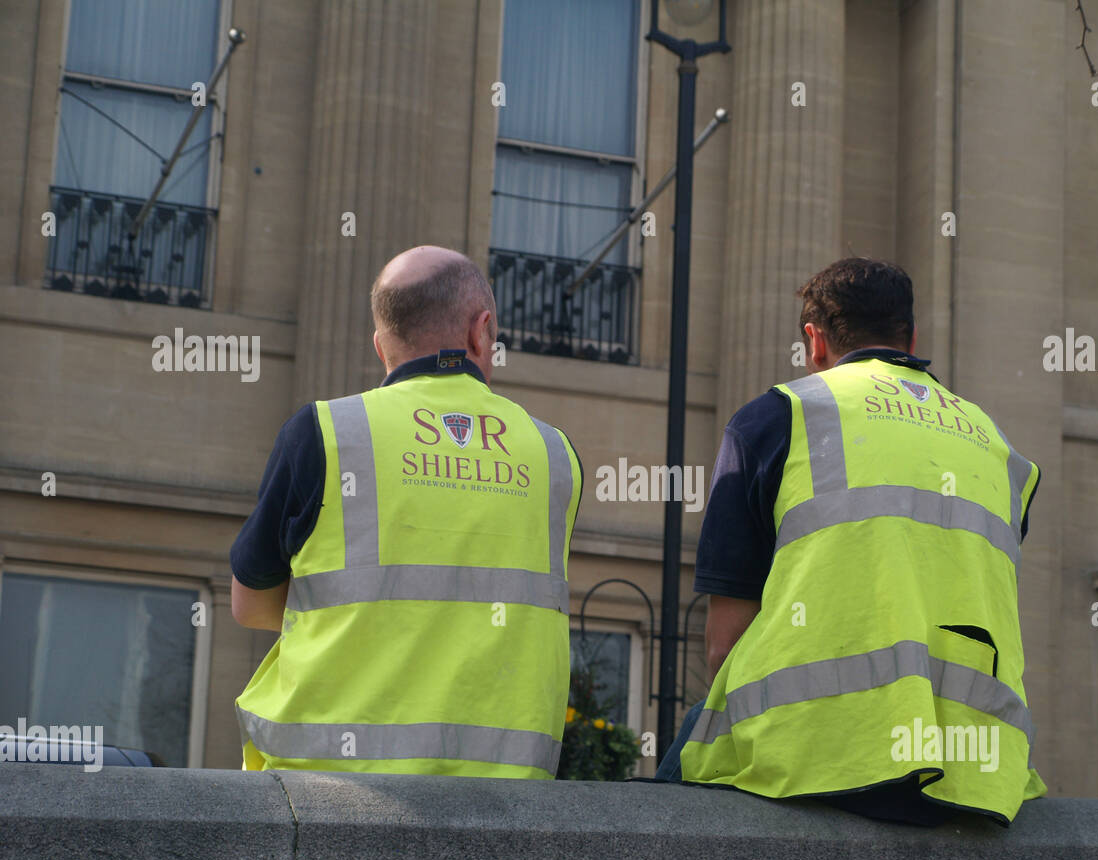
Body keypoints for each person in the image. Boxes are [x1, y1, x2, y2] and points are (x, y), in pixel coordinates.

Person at [659, 257, 1044, 826]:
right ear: (911, 337)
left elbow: (723, 645)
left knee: (658, 805)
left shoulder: (776, 418)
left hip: (819, 751)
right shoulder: (999, 447)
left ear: (815, 341)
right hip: (976, 772)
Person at [229, 246, 582, 777]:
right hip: (503, 802)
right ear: (482, 331)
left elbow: (250, 607)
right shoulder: (554, 454)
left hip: (325, 794)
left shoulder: (325, 432)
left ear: (381, 345)